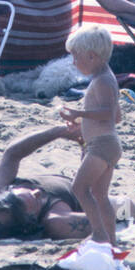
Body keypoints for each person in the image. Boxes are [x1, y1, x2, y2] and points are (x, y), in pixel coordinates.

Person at [0, 125, 135, 240]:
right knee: (128, 207)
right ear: (33, 217)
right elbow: (101, 219)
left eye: (26, 190)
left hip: (71, 182)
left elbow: (11, 154)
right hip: (86, 195)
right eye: (36, 199)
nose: (36, 192)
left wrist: (59, 131)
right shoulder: (56, 221)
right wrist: (93, 157)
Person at [56, 24, 122, 245]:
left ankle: (99, 234)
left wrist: (79, 113)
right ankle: (110, 241)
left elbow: (107, 114)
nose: (74, 63)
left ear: (92, 56)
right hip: (105, 144)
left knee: (79, 189)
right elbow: (117, 116)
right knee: (100, 195)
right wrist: (82, 122)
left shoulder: (102, 80)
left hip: (102, 145)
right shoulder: (107, 77)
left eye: (76, 57)